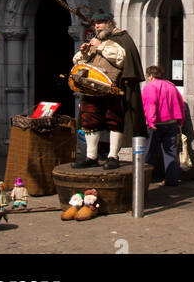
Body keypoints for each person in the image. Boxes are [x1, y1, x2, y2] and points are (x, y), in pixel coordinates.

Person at [70, 10, 146, 169]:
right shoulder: (94, 40)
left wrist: (100, 47)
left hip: (112, 87)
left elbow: (121, 59)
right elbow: (78, 60)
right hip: (92, 88)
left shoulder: (121, 39)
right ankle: (91, 156)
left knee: (114, 120)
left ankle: (113, 156)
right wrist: (84, 53)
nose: (97, 26)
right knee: (89, 120)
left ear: (110, 23)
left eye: (100, 23)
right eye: (95, 24)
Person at [142, 65, 186, 187]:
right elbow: (180, 103)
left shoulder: (150, 87)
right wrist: (180, 120)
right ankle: (172, 180)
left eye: (147, 76)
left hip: (156, 124)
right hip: (172, 123)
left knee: (148, 152)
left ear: (151, 76)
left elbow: (151, 105)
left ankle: (143, 180)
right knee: (171, 152)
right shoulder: (171, 85)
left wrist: (150, 122)